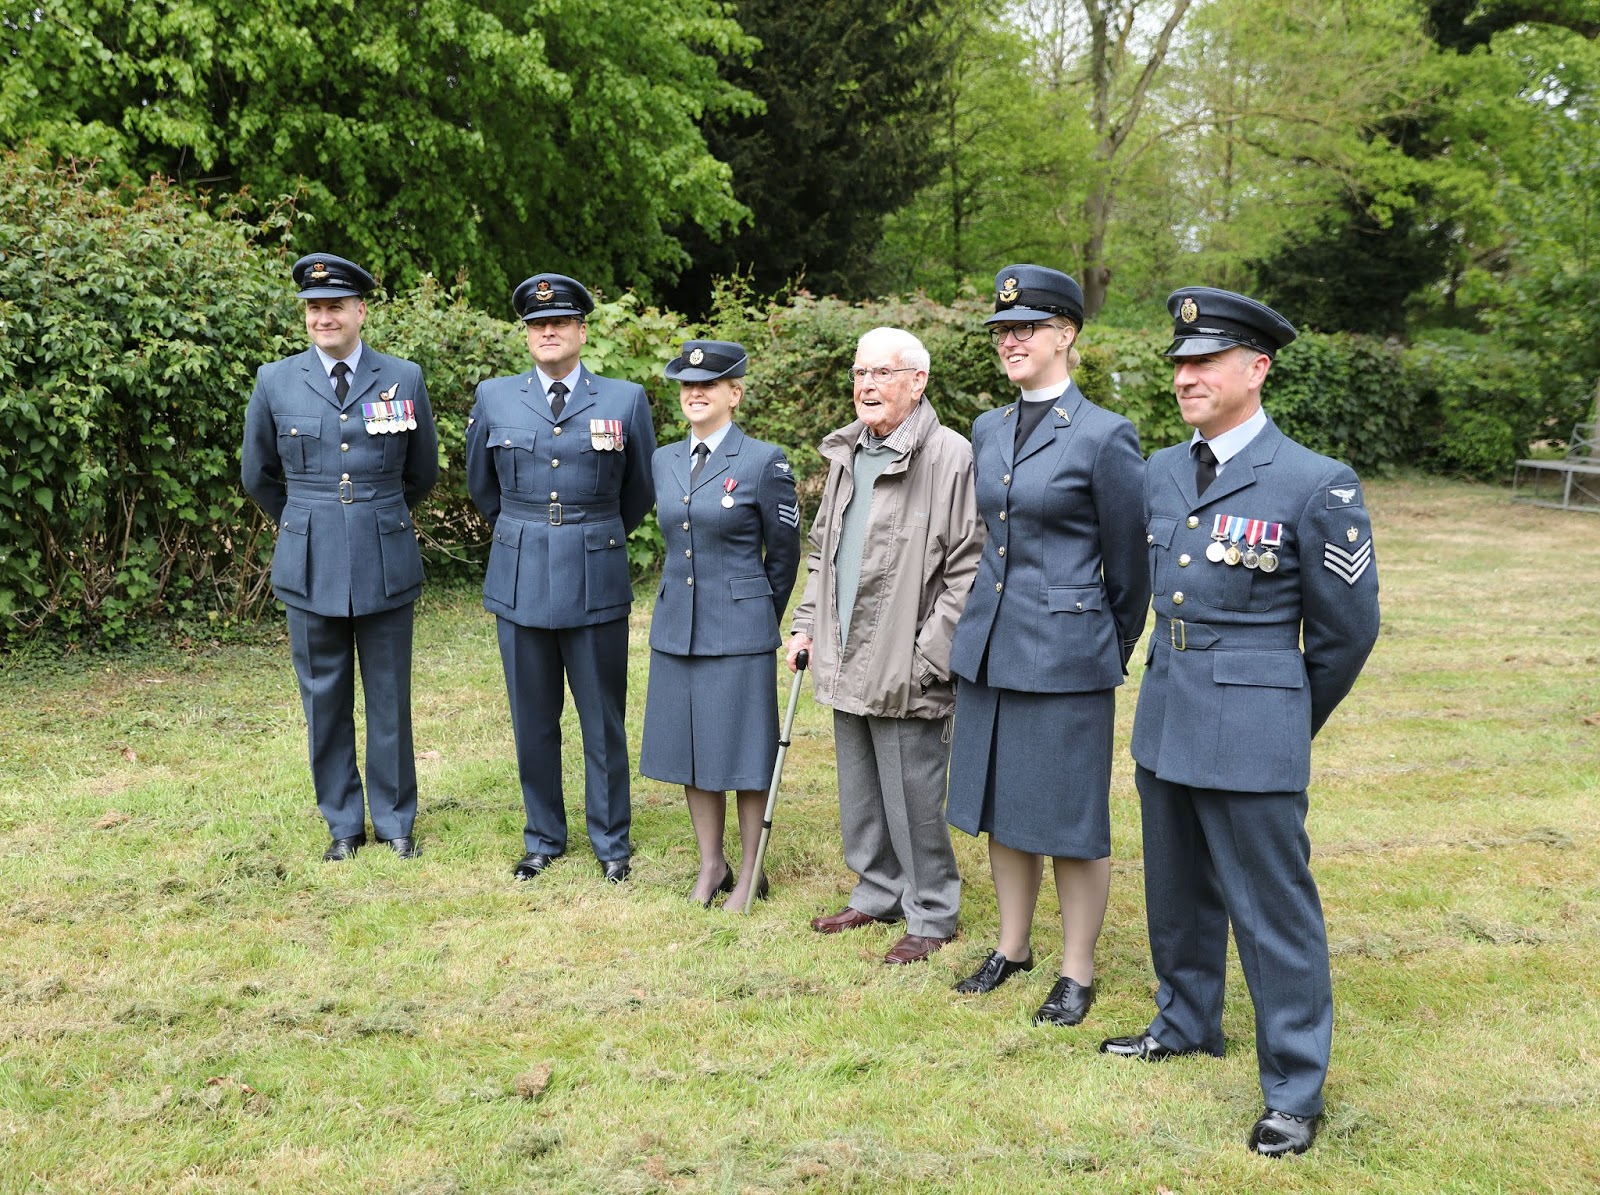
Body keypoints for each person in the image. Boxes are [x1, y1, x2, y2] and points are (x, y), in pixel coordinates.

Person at [1099, 288, 1381, 1158]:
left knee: (1271, 909)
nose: (1186, 376)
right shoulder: (1161, 470)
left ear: (1257, 369)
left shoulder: (1314, 481)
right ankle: (1185, 1020)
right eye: (1180, 362)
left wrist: (1285, 712)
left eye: (1206, 361)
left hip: (1255, 723)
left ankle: (1295, 1086)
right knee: (1176, 890)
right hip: (1169, 709)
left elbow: (1347, 630)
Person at [945, 266, 1149, 1025]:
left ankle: (1077, 967)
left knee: (1068, 815)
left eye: (1027, 327)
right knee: (1003, 803)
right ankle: (1013, 944)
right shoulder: (987, 427)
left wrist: (1101, 639)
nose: (1011, 340)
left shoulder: (1103, 435)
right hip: (993, 646)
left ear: (1067, 333)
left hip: (1066, 654)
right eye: (1003, 329)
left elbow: (1131, 567)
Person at [786, 327, 982, 965]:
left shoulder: (950, 456)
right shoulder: (849, 452)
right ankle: (876, 891)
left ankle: (932, 909)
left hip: (908, 658)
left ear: (917, 382)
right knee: (860, 786)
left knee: (914, 792)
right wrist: (808, 624)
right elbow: (822, 552)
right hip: (845, 648)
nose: (866, 386)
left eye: (882, 373)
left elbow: (968, 567)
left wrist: (931, 654)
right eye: (859, 373)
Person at [241, 253, 439, 861]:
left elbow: (422, 471)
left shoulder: (403, 377)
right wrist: (304, 523)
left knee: (389, 697)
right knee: (323, 698)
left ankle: (397, 820)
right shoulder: (275, 380)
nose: (324, 317)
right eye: (313, 308)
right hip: (309, 558)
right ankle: (343, 824)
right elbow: (259, 475)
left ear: (360, 310)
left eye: (334, 306)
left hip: (384, 555)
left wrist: (375, 514)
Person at [465, 273, 656, 883]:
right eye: (537, 324)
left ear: (580, 330)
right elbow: (482, 486)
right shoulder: (495, 397)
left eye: (560, 322)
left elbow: (640, 490)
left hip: (594, 569)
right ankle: (544, 836)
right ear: (527, 335)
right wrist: (525, 531)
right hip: (519, 573)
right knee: (533, 715)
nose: (548, 331)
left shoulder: (624, 399)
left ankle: (611, 841)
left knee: (602, 716)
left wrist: (587, 530)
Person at [640, 341, 802, 908]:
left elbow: (784, 555)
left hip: (739, 626)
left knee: (744, 750)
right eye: (686, 386)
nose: (695, 393)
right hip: (678, 626)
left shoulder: (764, 460)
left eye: (707, 385)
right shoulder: (663, 459)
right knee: (692, 748)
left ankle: (752, 870)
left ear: (734, 394)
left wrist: (757, 611)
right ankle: (713, 864)